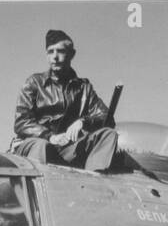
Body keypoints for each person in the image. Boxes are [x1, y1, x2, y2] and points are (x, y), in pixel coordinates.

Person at [11, 29, 118, 172]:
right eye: (50, 52)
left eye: (60, 51)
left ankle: (93, 183)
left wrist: (83, 121)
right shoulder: (33, 83)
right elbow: (21, 122)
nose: (54, 57)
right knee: (41, 146)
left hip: (67, 148)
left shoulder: (84, 87)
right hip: (33, 145)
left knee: (108, 134)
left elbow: (105, 115)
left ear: (72, 54)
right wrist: (49, 136)